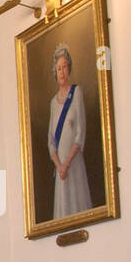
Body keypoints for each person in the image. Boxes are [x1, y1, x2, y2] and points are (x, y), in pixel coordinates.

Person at [46, 43, 92, 219]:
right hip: (61, 171)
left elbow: (80, 134)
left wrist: (66, 164)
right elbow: (51, 141)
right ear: (55, 73)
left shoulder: (76, 93)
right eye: (59, 68)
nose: (62, 71)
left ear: (69, 68)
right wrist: (59, 166)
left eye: (64, 67)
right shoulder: (52, 103)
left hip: (73, 164)